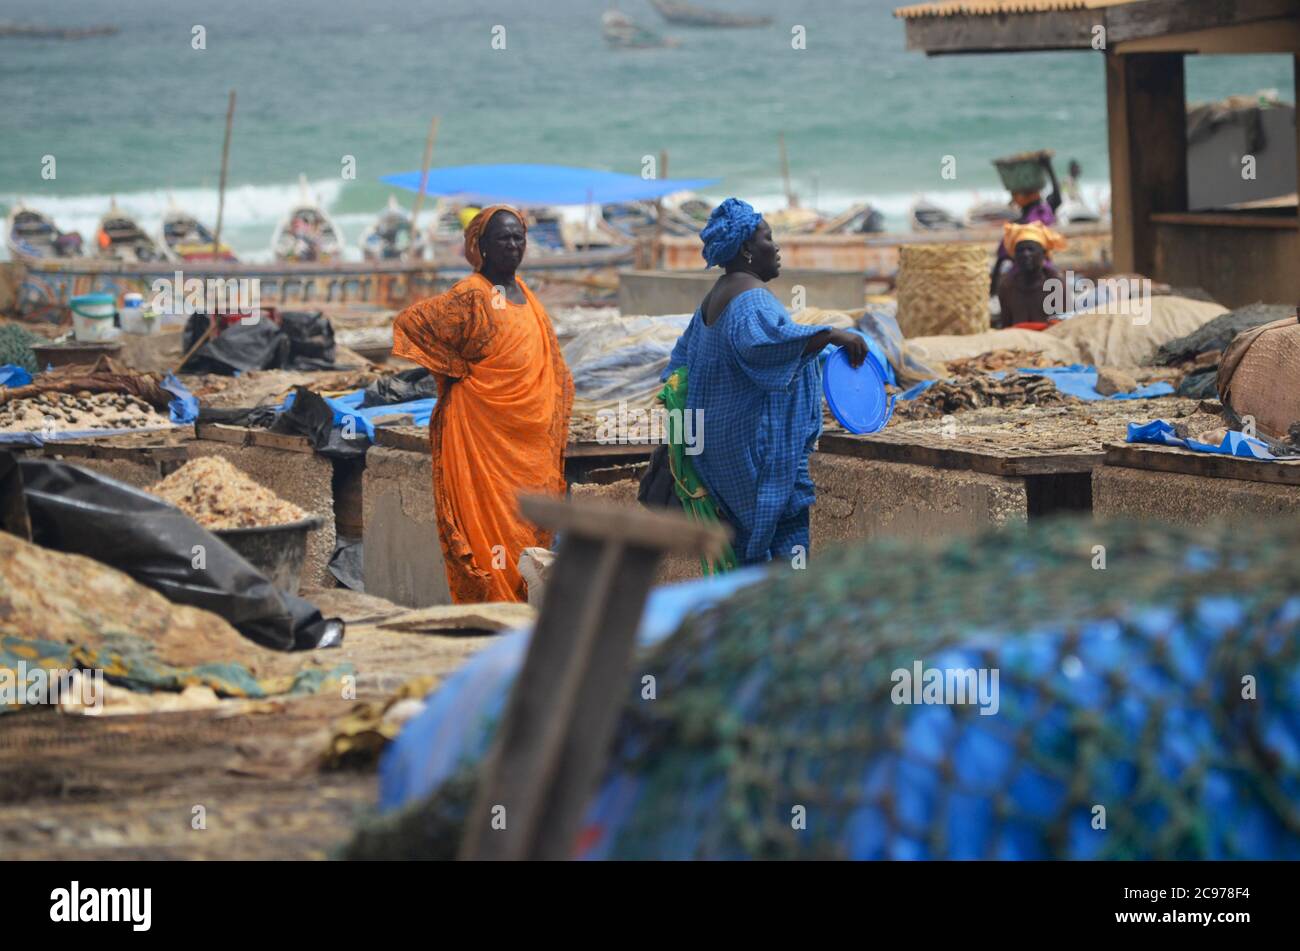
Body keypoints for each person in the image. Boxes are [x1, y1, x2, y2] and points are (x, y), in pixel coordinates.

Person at [663, 198, 867, 567]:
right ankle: (781, 615)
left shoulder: (717, 296)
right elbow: (768, 345)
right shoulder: (751, 298)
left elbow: (682, 359)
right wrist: (835, 335)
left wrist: (816, 354)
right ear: (746, 249)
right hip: (755, 454)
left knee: (744, 548)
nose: (776, 248)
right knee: (781, 542)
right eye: (768, 238)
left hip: (719, 452)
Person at [391, 205, 573, 603]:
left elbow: (552, 368)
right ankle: (493, 619)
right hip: (481, 439)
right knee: (486, 535)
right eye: (503, 238)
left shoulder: (525, 293)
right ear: (481, 247)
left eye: (518, 238)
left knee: (528, 533)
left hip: (528, 448)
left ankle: (524, 621)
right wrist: (458, 369)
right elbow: (411, 325)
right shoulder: (471, 294)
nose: (513, 245)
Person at [990, 153, 1062, 296]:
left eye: (1015, 195)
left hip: (1026, 278)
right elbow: (1057, 198)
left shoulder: (1029, 219)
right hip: (1037, 276)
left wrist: (992, 290)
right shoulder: (1040, 215)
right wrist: (1048, 167)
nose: (1013, 198)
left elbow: (1001, 259)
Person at [994, 221, 1067, 329]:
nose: (1025, 254)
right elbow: (1006, 325)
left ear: (1043, 253)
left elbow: (1063, 326)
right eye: (1020, 250)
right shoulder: (1007, 287)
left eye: (1031, 249)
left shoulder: (1056, 283)